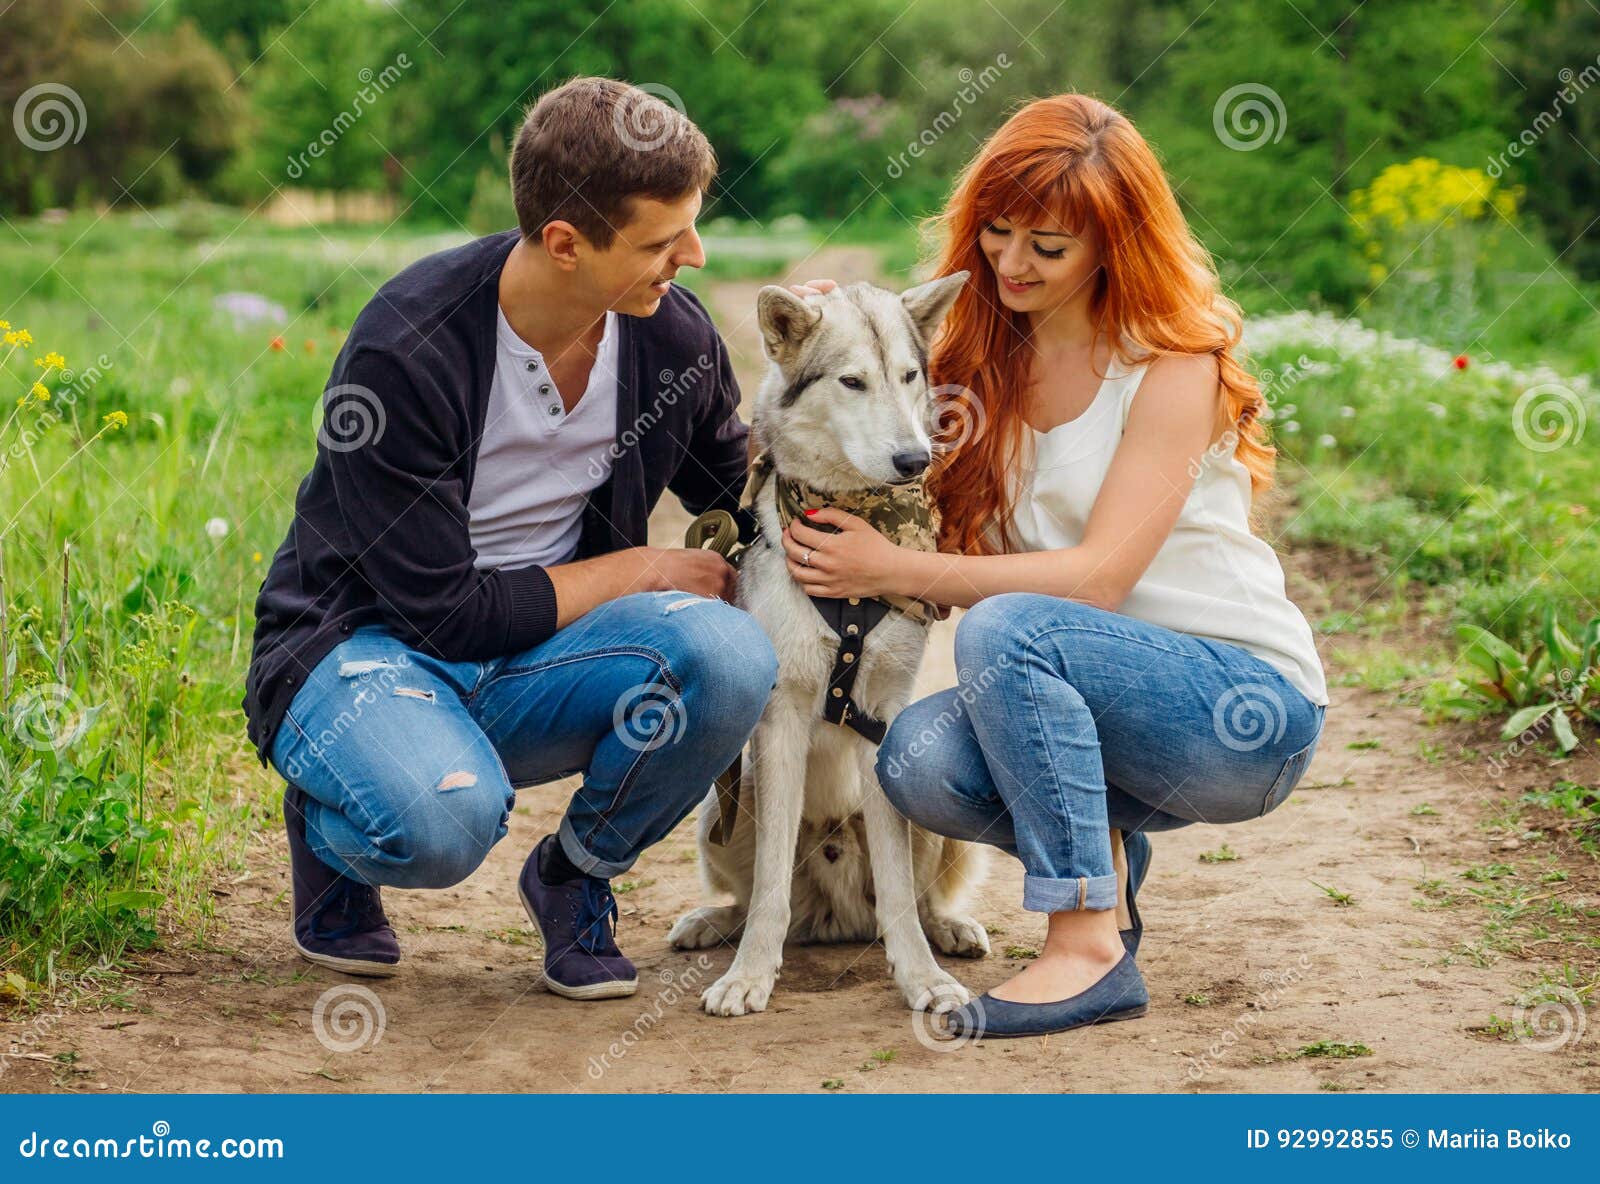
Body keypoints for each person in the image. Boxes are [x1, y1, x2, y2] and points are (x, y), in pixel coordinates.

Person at [780, 94, 1328, 1038]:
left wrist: (889, 569)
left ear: (1115, 244)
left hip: (1239, 712)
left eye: (1049, 245)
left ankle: (1086, 948)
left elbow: (1096, 582)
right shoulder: (975, 357)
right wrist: (828, 339)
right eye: (996, 231)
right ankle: (1104, 859)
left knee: (1010, 626)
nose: (1011, 261)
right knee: (916, 761)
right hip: (1090, 705)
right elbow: (869, 459)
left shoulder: (1173, 364)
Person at [243, 77, 777, 1001]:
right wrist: (645, 567)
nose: (691, 257)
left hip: (534, 654)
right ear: (565, 244)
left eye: (691, 229)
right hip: (370, 649)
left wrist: (825, 366)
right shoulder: (405, 350)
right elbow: (446, 614)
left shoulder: (669, 338)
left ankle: (576, 873)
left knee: (731, 656)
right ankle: (332, 831)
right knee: (444, 825)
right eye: (661, 242)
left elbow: (748, 494)